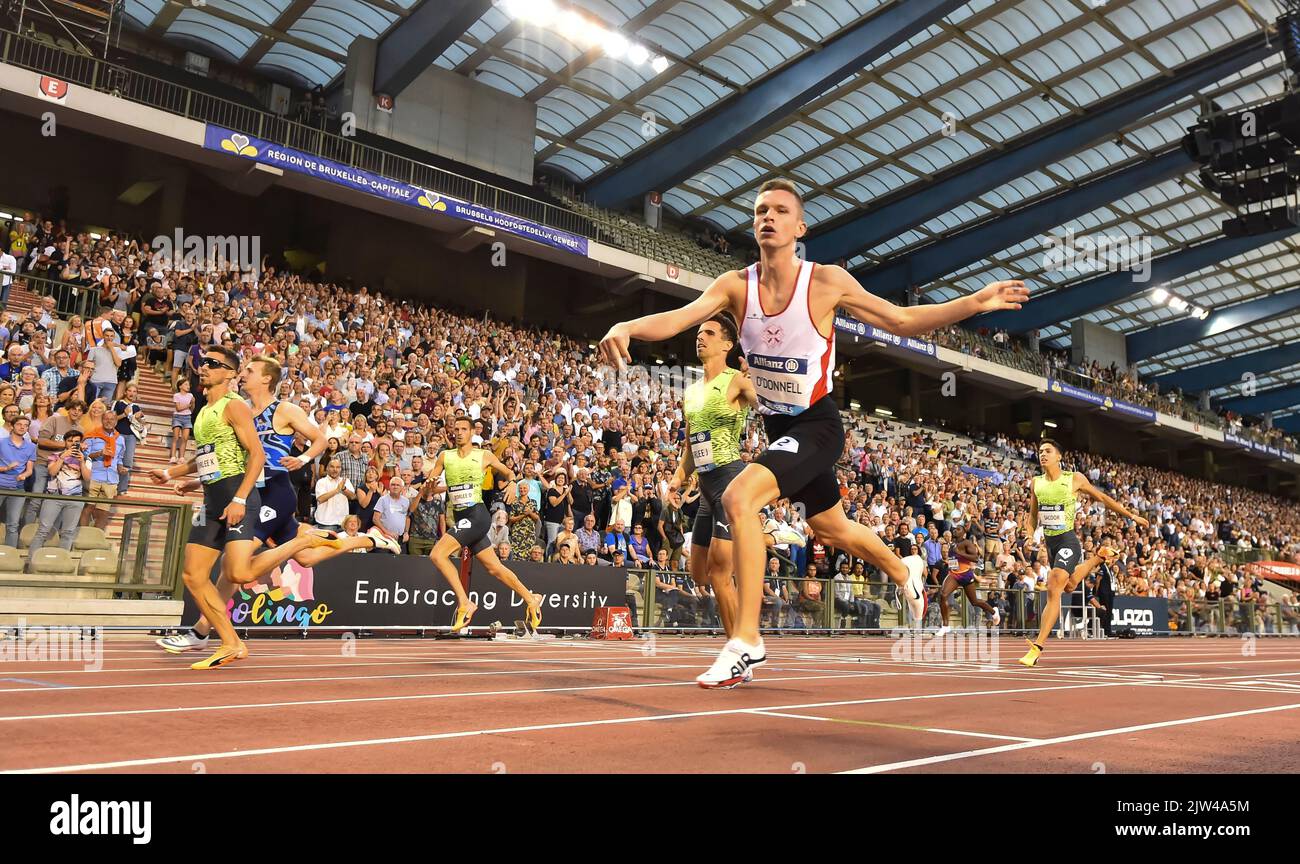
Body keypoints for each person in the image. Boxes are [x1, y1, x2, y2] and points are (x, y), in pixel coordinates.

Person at [600, 177, 1027, 687]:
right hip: (780, 427)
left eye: (780, 211)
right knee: (831, 528)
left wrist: (974, 302)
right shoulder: (735, 286)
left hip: (818, 425)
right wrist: (627, 327)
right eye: (761, 210)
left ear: (799, 228)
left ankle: (746, 641)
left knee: (738, 499)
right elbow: (679, 317)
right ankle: (904, 570)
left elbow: (901, 320)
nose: (768, 217)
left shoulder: (825, 282)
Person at [157, 355, 393, 655]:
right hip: (248, 488)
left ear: (267, 378)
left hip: (274, 492)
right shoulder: (238, 407)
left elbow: (320, 440)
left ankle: (202, 630)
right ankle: (367, 540)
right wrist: (193, 480)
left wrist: (302, 459)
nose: (244, 374)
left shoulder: (283, 409)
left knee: (234, 567)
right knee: (305, 558)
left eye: (250, 371)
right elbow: (227, 457)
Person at [667, 312, 757, 685]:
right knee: (699, 574)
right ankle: (740, 646)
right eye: (698, 333)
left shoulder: (736, 380)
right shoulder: (690, 392)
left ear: (727, 344)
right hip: (705, 487)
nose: (700, 337)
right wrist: (678, 478)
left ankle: (739, 654)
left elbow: (767, 405)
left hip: (731, 480)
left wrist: (759, 380)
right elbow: (691, 446)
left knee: (721, 573)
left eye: (709, 333)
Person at [1019, 439, 1147, 667]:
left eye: (1048, 451)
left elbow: (1103, 498)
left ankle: (1037, 648)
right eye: (1040, 451)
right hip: (1051, 544)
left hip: (1068, 541)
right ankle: (1099, 557)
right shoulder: (1036, 483)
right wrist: (1029, 535)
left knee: (1054, 586)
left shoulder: (1073, 479)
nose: (1042, 454)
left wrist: (1131, 516)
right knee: (1068, 586)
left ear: (1059, 456)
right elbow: (1032, 516)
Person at [425, 417, 542, 633]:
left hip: (477, 515)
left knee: (437, 555)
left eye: (463, 429)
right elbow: (429, 489)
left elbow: (509, 472)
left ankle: (465, 603)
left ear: (472, 433)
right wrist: (428, 486)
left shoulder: (483, 455)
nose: (459, 432)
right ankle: (531, 598)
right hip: (461, 517)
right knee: (494, 568)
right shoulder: (445, 456)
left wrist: (512, 483)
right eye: (456, 429)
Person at [27, 429, 91, 566]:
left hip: (75, 499)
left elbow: (87, 478)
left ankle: (61, 564)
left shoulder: (86, 458)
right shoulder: (55, 456)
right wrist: (62, 458)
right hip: (54, 497)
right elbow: (52, 472)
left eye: (76, 442)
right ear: (65, 442)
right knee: (43, 530)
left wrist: (81, 462)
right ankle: (30, 562)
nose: (73, 444)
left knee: (68, 532)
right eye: (70, 441)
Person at [934, 535, 999, 635]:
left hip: (966, 576)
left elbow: (975, 559)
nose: (945, 551)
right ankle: (945, 626)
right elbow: (954, 567)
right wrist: (952, 568)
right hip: (956, 576)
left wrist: (960, 556)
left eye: (946, 549)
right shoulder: (951, 551)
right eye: (943, 549)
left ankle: (994, 611)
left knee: (974, 601)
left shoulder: (964, 547)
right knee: (943, 594)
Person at [0, 414, 35, 545]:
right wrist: (6, 468)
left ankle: (10, 552)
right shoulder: (2, 442)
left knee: (13, 524)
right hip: (1, 485)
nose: (22, 427)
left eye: (25, 425)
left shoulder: (31, 447)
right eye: (19, 424)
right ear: (12, 426)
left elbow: (29, 469)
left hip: (17, 488)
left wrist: (24, 475)